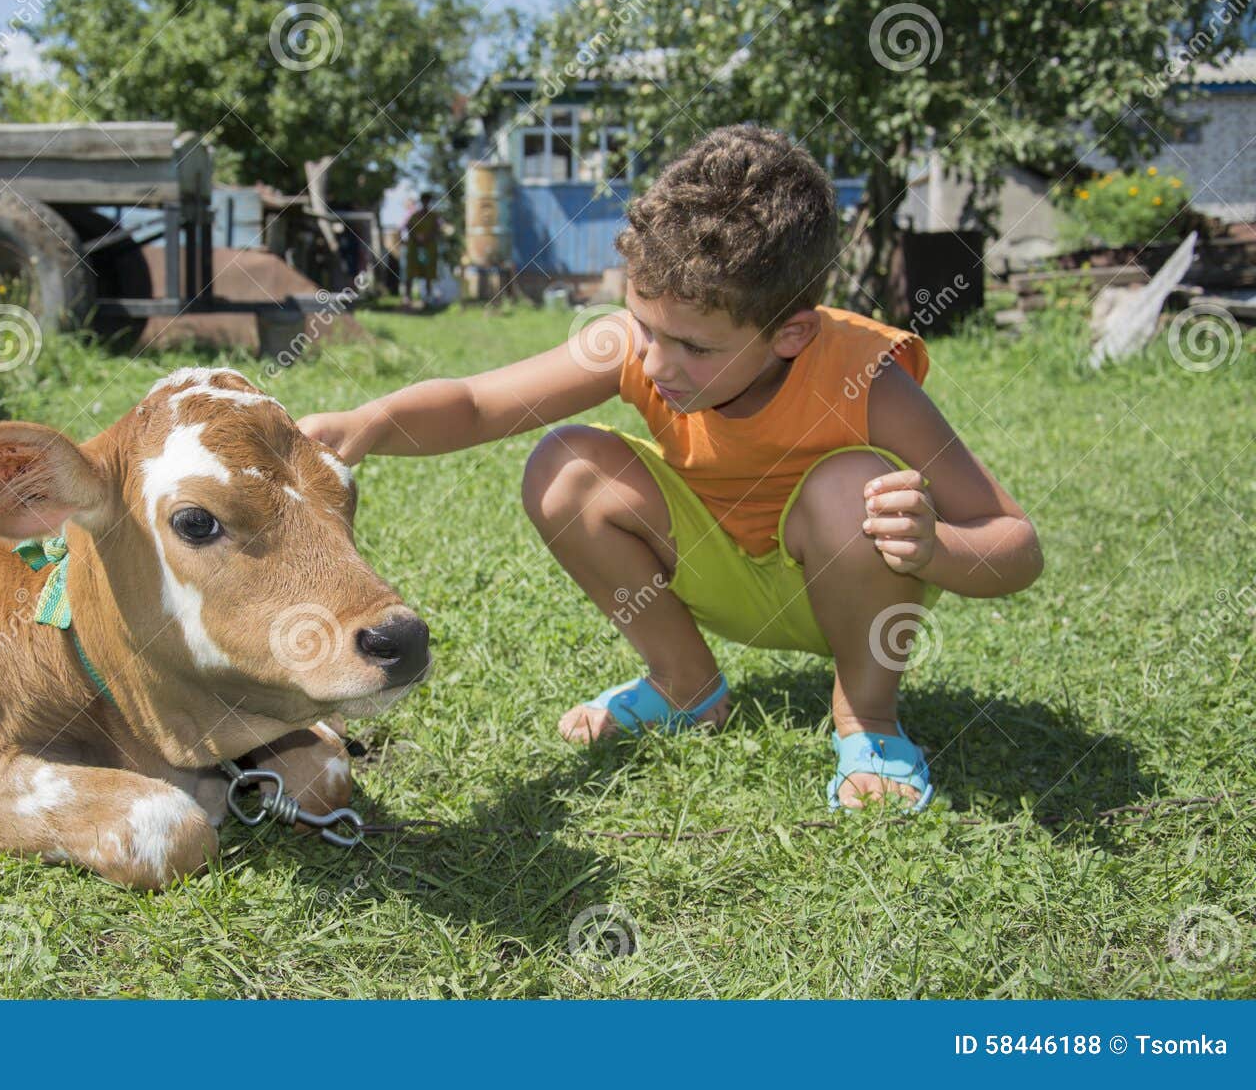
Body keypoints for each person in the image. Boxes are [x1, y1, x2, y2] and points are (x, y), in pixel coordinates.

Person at [299, 126, 1043, 812]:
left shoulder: (868, 378)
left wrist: (936, 548)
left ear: (791, 333)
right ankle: (686, 685)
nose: (657, 364)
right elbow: (478, 404)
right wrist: (364, 424)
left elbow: (1016, 541)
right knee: (564, 463)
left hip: (841, 589)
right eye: (646, 328)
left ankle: (868, 722)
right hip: (713, 568)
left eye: (697, 348)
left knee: (849, 488)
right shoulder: (642, 348)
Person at [401, 192, 442, 306]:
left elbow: (438, 229)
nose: (426, 202)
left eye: (428, 200)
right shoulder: (414, 216)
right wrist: (417, 237)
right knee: (410, 272)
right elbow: (408, 227)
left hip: (429, 248)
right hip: (414, 248)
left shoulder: (434, 216)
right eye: (424, 200)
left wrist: (427, 237)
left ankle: (428, 297)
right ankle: (407, 297)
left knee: (429, 273)